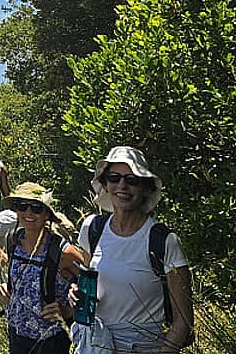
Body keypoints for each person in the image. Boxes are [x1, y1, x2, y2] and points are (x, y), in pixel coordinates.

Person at [71, 146, 194, 353]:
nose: (122, 186)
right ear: (105, 185)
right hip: (95, 342)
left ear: (146, 188)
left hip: (143, 346)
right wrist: (76, 293)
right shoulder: (92, 228)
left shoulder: (163, 241)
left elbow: (183, 321)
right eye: (114, 178)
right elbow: (86, 280)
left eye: (132, 180)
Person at [0, 183, 88, 354]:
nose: (28, 213)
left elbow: (94, 285)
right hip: (16, 335)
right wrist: (6, 290)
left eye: (37, 208)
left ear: (47, 214)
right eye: (22, 206)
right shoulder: (14, 241)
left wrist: (68, 310)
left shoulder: (63, 252)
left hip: (51, 340)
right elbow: (18, 279)